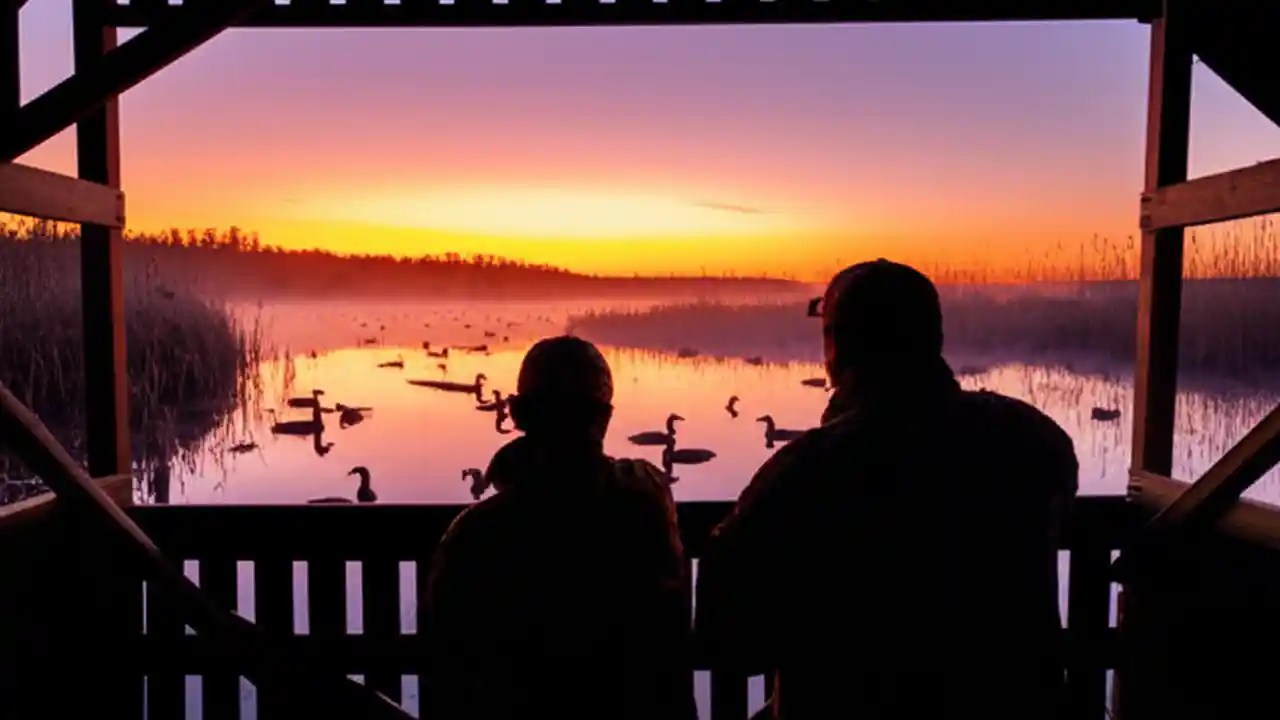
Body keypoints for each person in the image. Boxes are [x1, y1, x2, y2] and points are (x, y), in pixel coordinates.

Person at [696, 259, 1079, 720]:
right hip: (1013, 704)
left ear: (836, 345)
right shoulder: (1034, 439)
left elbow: (730, 643)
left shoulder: (808, 470)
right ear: (935, 338)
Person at [422, 336, 696, 720]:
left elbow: (446, 675)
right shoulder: (646, 501)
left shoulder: (473, 536)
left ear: (517, 413)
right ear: (604, 417)